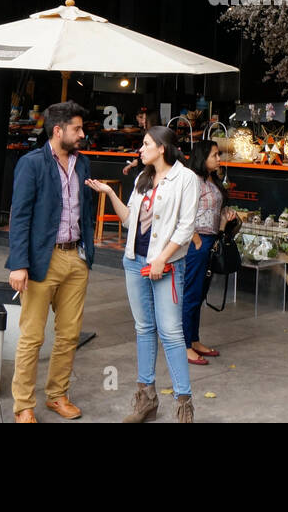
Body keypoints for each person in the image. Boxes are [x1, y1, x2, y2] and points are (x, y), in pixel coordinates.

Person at [87, 125, 198, 423]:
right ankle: (145, 398)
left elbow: (186, 227)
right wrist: (110, 192)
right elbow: (128, 221)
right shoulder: (142, 178)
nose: (140, 149)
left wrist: (163, 258)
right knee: (143, 328)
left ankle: (183, 404)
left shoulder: (185, 178)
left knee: (172, 332)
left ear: (162, 147)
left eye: (146, 144)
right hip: (135, 261)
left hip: (168, 265)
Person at [6, 101, 95, 423]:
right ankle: (23, 405)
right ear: (58, 130)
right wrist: (19, 263)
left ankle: (57, 395)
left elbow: (84, 210)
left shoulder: (82, 164)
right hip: (43, 259)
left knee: (69, 335)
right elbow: (20, 216)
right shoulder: (31, 164)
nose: (82, 134)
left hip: (76, 258)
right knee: (32, 336)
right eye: (77, 129)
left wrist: (88, 251)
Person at [182, 139, 238, 364]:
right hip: (196, 242)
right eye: (214, 155)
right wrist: (195, 240)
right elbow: (184, 214)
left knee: (200, 292)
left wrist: (226, 216)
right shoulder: (191, 181)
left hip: (210, 240)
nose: (218, 158)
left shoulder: (211, 180)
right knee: (191, 293)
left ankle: (194, 339)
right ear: (202, 157)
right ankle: (184, 345)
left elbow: (216, 208)